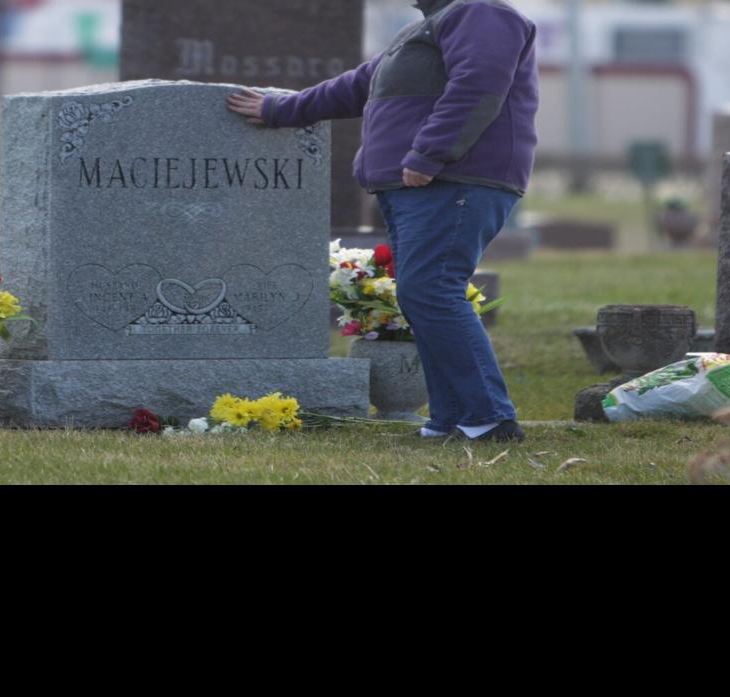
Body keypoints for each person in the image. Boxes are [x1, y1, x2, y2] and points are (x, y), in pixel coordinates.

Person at [226, 0, 538, 443]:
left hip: (453, 179)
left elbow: (479, 85)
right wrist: (281, 109)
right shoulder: (423, 28)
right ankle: (452, 419)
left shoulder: (480, 12)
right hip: (419, 184)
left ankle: (489, 417)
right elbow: (356, 86)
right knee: (421, 294)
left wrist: (430, 153)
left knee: (433, 289)